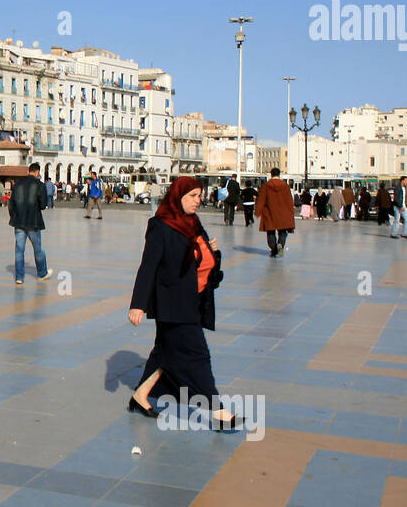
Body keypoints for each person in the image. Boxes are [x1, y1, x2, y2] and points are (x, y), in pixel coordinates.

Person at [126, 176, 239, 428]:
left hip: (192, 300)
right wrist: (138, 304)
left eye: (199, 195)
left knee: (165, 353)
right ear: (178, 197)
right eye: (192, 196)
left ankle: (140, 395)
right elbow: (148, 266)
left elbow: (201, 259)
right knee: (197, 355)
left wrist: (210, 251)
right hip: (172, 303)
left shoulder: (193, 223)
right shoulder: (161, 226)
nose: (198, 200)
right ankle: (218, 411)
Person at [8, 162, 54, 285]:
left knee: (19, 250)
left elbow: (11, 204)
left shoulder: (17, 185)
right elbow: (43, 205)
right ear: (38, 172)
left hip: (19, 222)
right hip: (33, 222)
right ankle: (42, 273)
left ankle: (19, 277)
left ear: (28, 171)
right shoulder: (40, 185)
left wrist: (14, 216)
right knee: (38, 249)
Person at [256, 167, 295, 257]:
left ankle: (273, 248)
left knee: (270, 232)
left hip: (269, 213)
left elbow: (261, 200)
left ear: (271, 174)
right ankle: (280, 244)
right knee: (282, 231)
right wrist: (290, 213)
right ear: (279, 175)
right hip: (283, 213)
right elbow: (289, 201)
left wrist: (258, 212)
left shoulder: (266, 185)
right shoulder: (285, 185)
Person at [390, 176, 407, 240]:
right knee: (397, 220)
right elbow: (396, 198)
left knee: (406, 219)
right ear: (402, 180)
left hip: (403, 206)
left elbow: (404, 198)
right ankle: (394, 234)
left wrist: (404, 205)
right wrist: (400, 206)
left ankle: (404, 233)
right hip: (398, 206)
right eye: (406, 180)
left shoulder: (404, 188)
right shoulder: (397, 187)